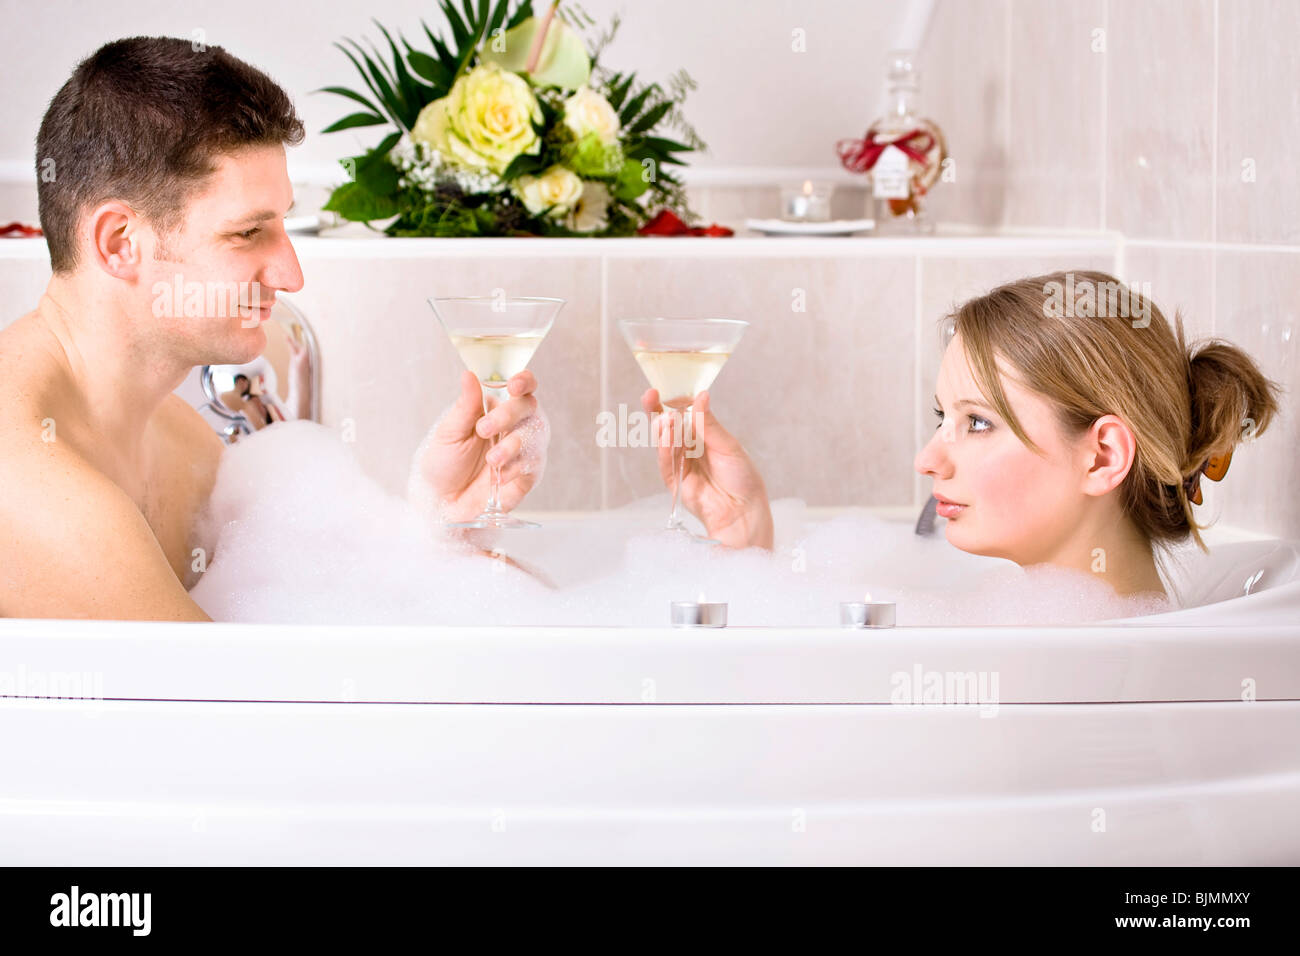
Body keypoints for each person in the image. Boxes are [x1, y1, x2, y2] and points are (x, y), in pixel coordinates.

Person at [0, 37, 545, 620]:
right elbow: (243, 705)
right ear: (120, 244)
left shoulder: (179, 442)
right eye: (246, 233)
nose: (291, 274)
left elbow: (323, 621)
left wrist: (438, 530)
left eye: (283, 227)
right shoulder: (34, 488)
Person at [644, 270, 1280, 598]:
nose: (928, 460)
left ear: (1103, 456)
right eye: (941, 418)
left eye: (977, 423)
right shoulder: (1016, 635)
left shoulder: (1071, 684)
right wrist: (746, 542)